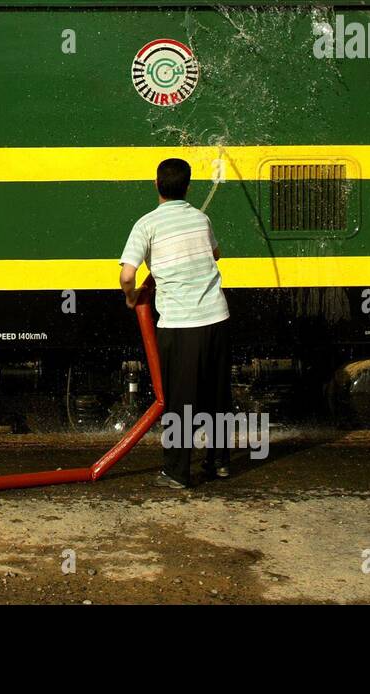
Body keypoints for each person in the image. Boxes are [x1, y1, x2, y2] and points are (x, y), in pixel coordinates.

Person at [119, 158, 232, 489]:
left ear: (156, 185)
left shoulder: (147, 225)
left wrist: (131, 297)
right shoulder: (201, 218)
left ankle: (177, 472)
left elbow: (128, 274)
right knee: (216, 395)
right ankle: (220, 463)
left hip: (181, 326)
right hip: (218, 319)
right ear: (189, 187)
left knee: (180, 400)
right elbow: (216, 255)